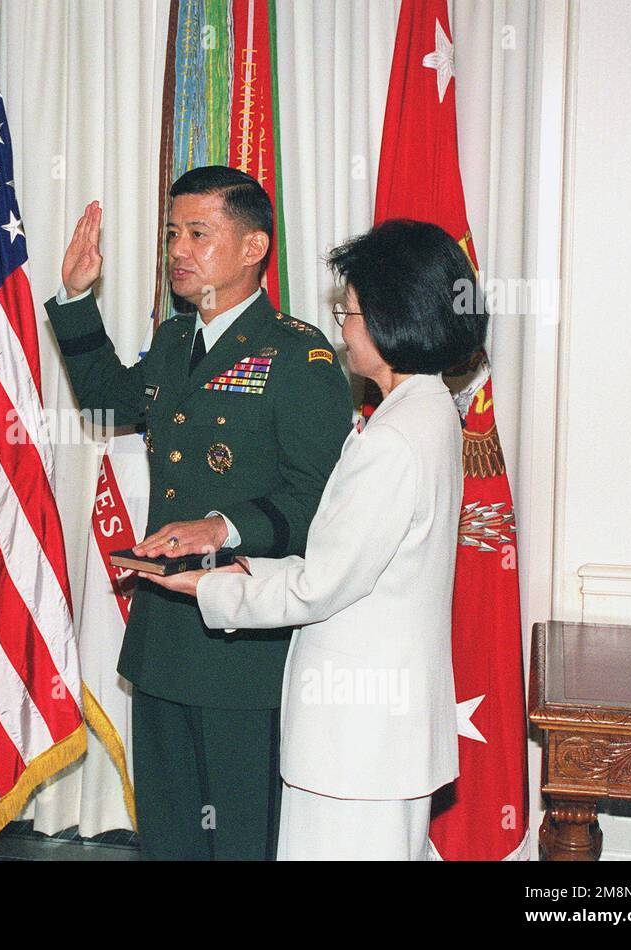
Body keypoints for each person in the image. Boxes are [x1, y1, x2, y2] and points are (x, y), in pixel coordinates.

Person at [141, 219, 488, 860]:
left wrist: (209, 586)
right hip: (379, 732)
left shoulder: (391, 441)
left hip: (357, 737)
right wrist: (244, 566)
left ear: (392, 319)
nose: (342, 330)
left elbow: (320, 586)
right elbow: (351, 566)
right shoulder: (430, 409)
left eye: (350, 312)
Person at [46, 166, 352, 859]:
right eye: (172, 234)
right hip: (164, 636)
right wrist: (76, 297)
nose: (178, 250)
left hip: (243, 644)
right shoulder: (177, 341)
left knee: (240, 835)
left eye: (198, 234)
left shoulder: (297, 355)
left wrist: (223, 526)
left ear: (253, 248)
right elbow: (110, 402)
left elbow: (318, 502)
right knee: (170, 832)